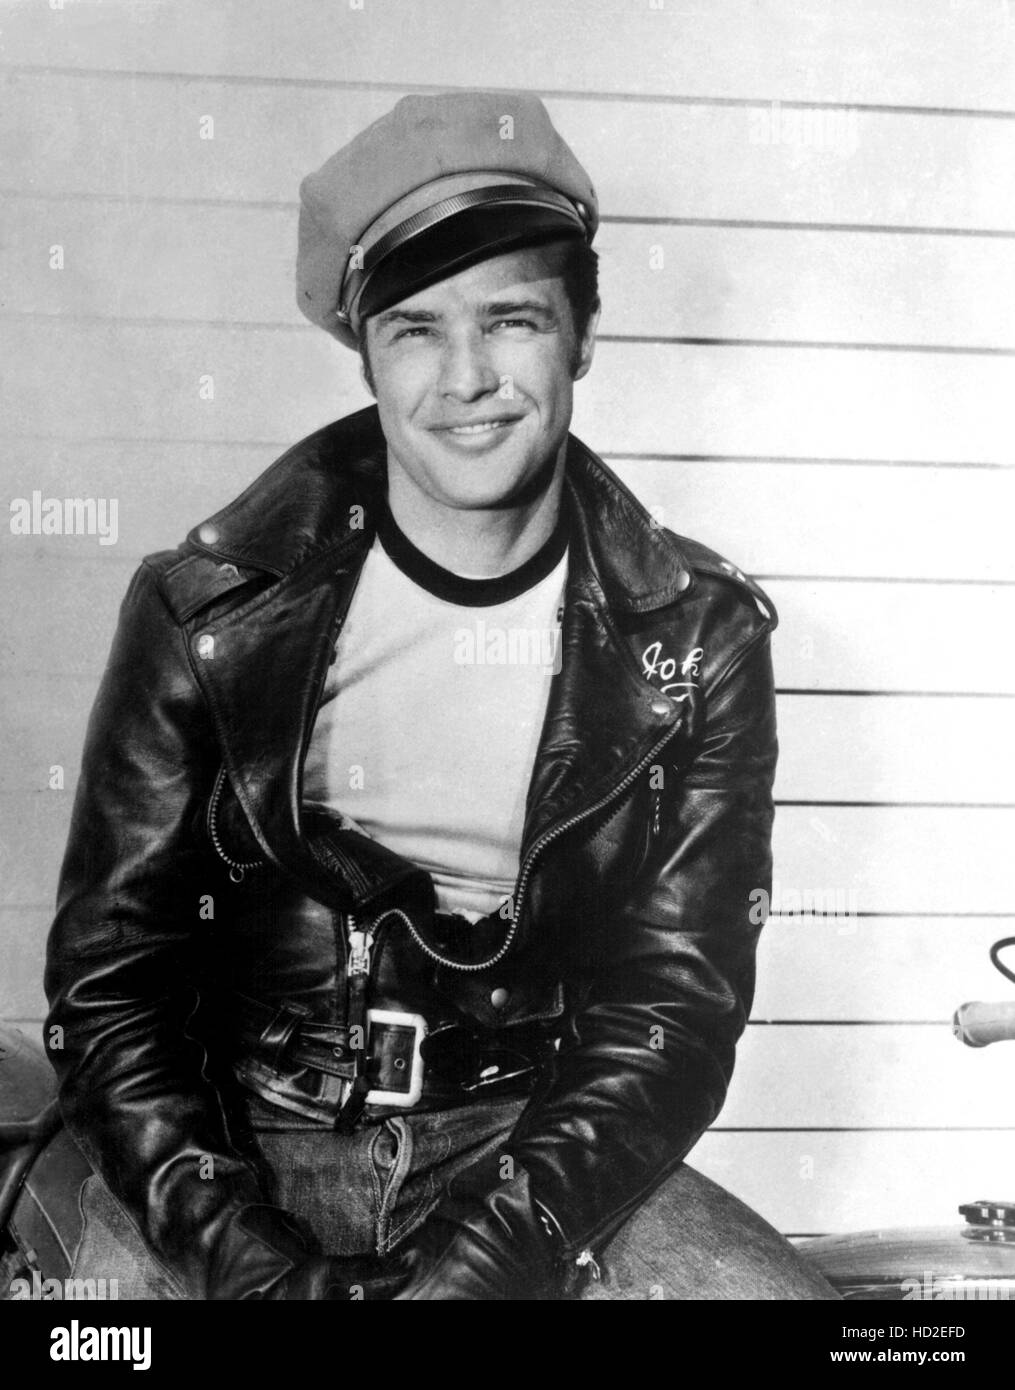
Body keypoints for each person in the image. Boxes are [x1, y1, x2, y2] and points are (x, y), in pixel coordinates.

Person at [44, 91, 836, 1300]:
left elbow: (671, 1009)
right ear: (365, 352)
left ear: (582, 330)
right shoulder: (204, 610)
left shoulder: (701, 639)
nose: (466, 381)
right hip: (230, 1145)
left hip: (532, 1153)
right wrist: (246, 1270)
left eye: (511, 318)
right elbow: (111, 988)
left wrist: (487, 1264)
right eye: (416, 329)